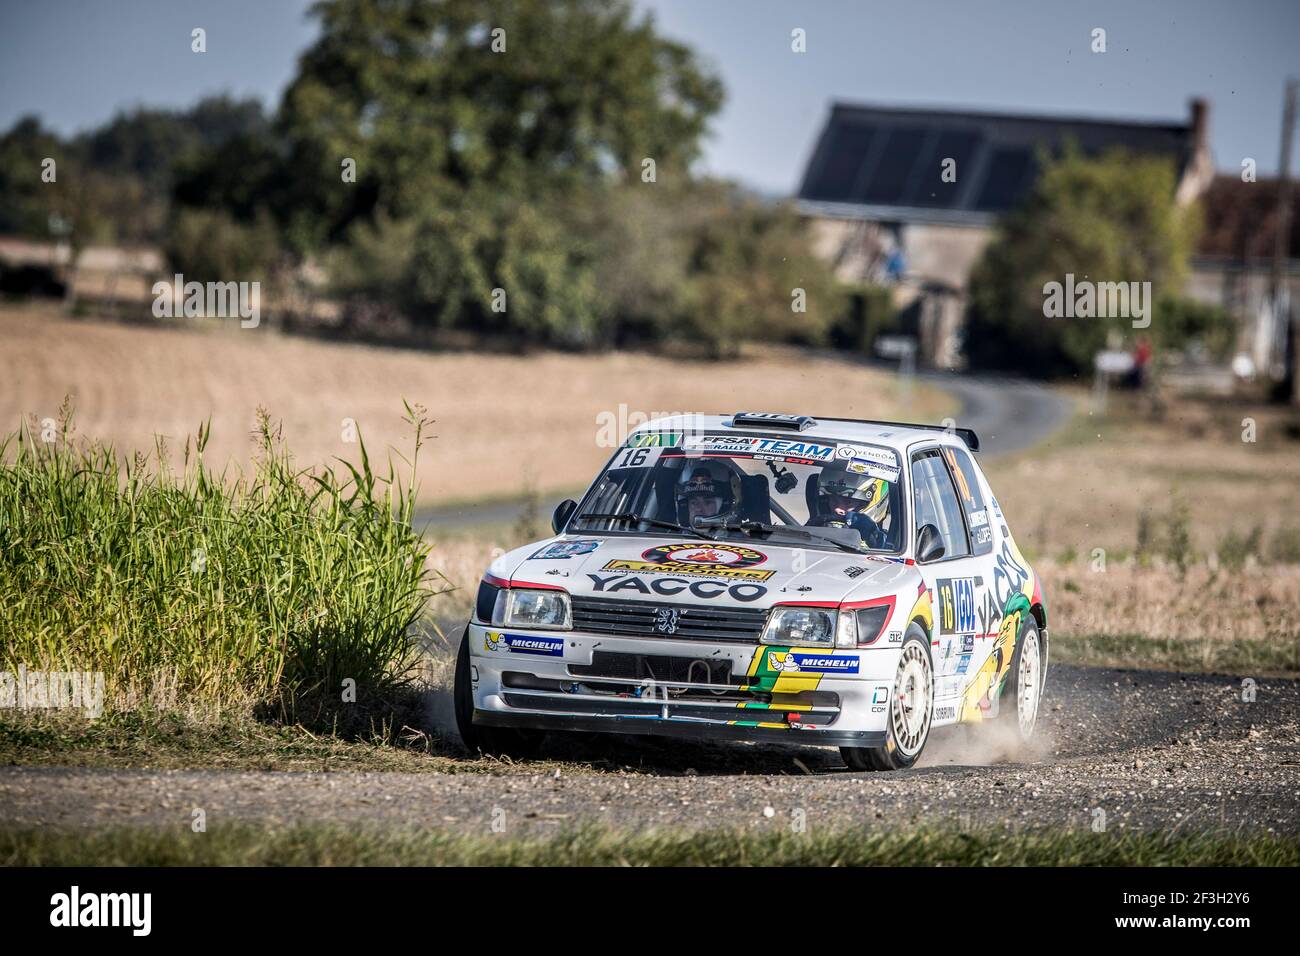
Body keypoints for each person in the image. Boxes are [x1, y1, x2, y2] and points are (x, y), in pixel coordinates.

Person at [808, 460, 892, 549]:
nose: (837, 509)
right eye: (833, 500)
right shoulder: (812, 530)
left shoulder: (889, 546)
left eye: (848, 502)